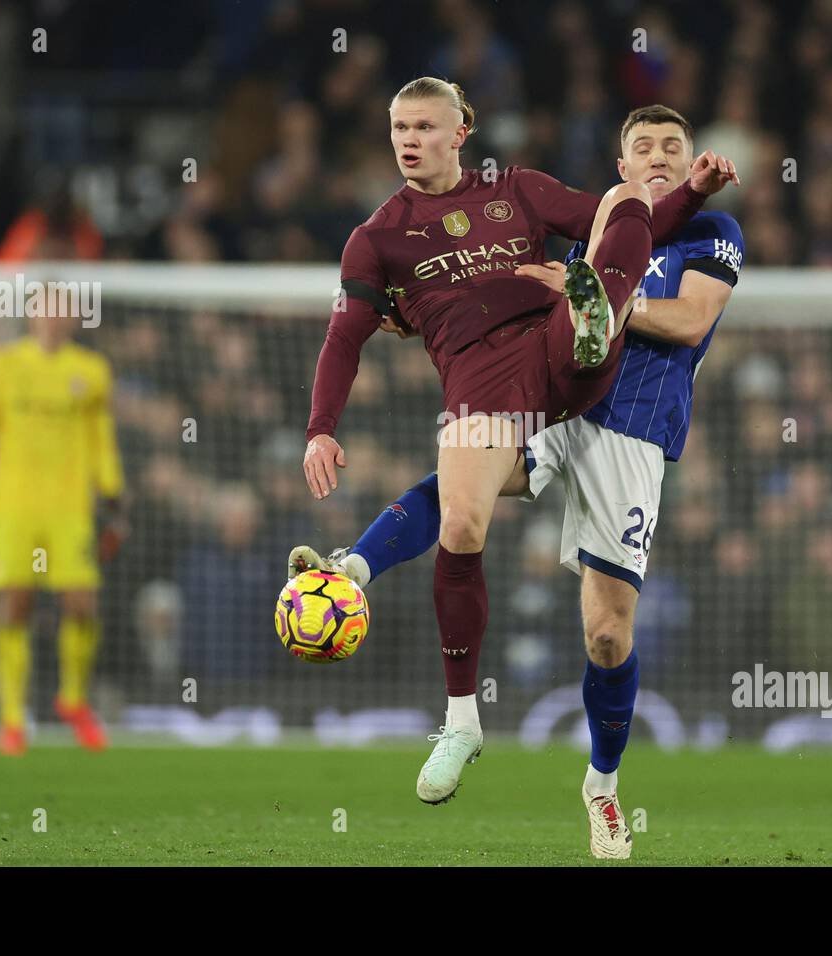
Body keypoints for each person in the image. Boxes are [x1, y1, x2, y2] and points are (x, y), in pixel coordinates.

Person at [296, 85, 740, 831]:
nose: (408, 139)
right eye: (399, 128)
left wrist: (682, 203)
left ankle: (601, 785)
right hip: (524, 381)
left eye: (672, 149)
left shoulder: (707, 230)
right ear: (622, 153)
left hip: (627, 420)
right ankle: (371, 593)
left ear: (460, 132)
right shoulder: (382, 237)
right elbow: (346, 335)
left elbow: (692, 322)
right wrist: (321, 425)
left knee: (606, 632)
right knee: (463, 506)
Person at [0, 312, 127, 755]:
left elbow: (101, 439)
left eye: (60, 309)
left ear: (70, 317)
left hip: (70, 509)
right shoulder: (2, 365)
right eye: (43, 309)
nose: (51, 318)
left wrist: (113, 500)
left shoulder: (90, 371)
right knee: (15, 603)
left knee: (82, 602)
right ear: (30, 315)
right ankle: (11, 719)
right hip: (14, 506)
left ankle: (73, 699)